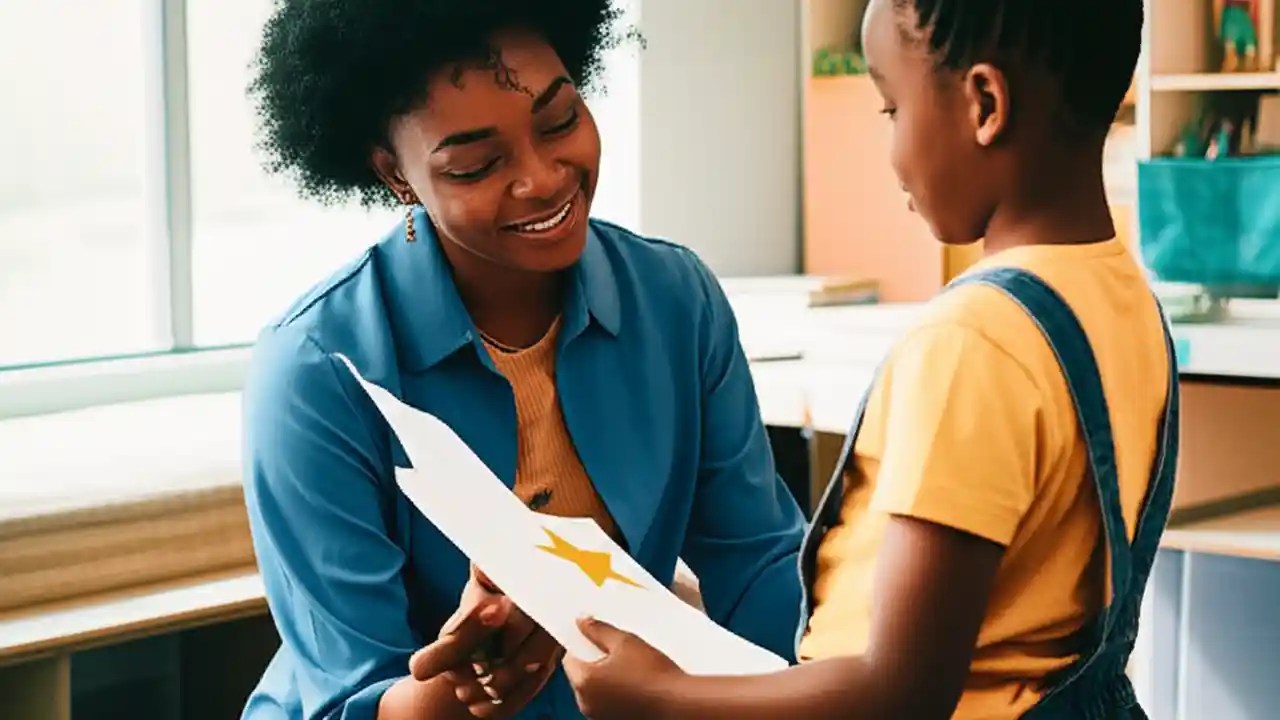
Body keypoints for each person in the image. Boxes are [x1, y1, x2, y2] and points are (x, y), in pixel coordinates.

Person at [548, 1, 1178, 718]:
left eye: (890, 109)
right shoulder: (1124, 299)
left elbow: (899, 694)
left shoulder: (974, 342)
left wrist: (663, 698)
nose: (890, 152)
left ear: (984, 104)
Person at [238, 1, 806, 719]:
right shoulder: (315, 369)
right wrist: (468, 678)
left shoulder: (674, 299)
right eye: (477, 164)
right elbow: (351, 696)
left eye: (561, 120)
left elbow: (756, 566)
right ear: (395, 173)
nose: (542, 178)